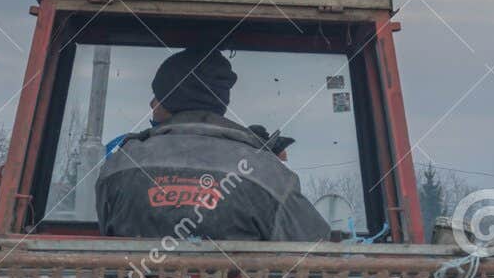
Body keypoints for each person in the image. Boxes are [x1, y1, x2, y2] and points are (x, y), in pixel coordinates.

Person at [96, 48, 330, 241]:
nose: (151, 103)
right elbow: (315, 252)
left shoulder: (121, 164)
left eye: (158, 95)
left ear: (173, 99)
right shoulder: (268, 173)